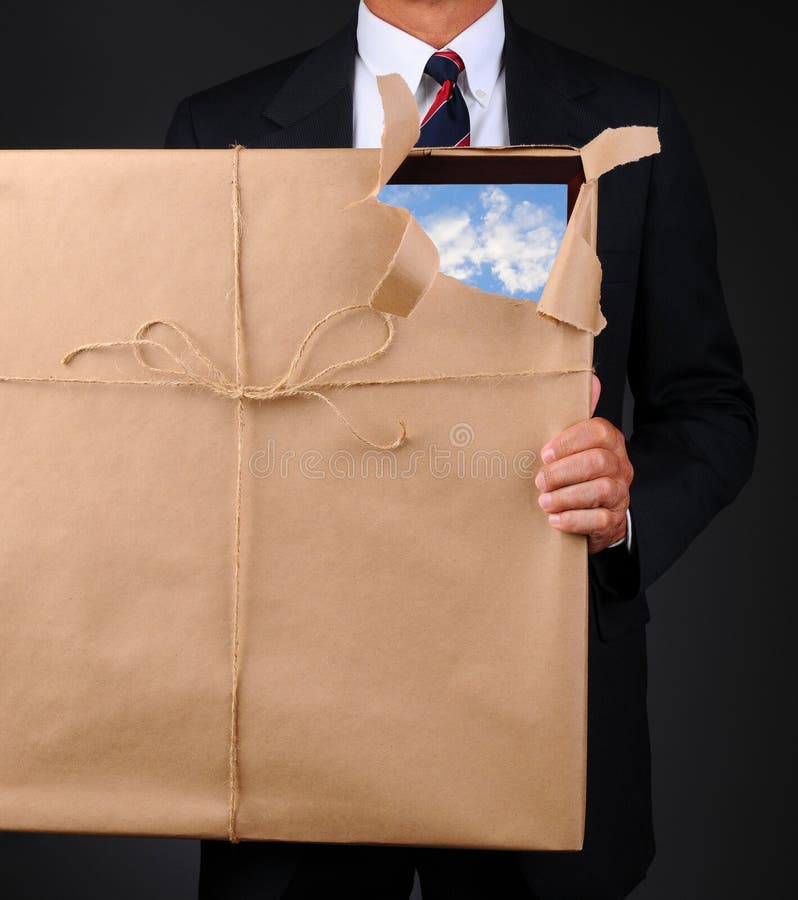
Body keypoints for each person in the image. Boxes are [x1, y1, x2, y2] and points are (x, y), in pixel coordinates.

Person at [165, 1, 757, 897]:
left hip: (539, 706)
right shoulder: (220, 131)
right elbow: (173, 422)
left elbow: (710, 408)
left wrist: (624, 507)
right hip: (297, 710)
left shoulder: (632, 119)